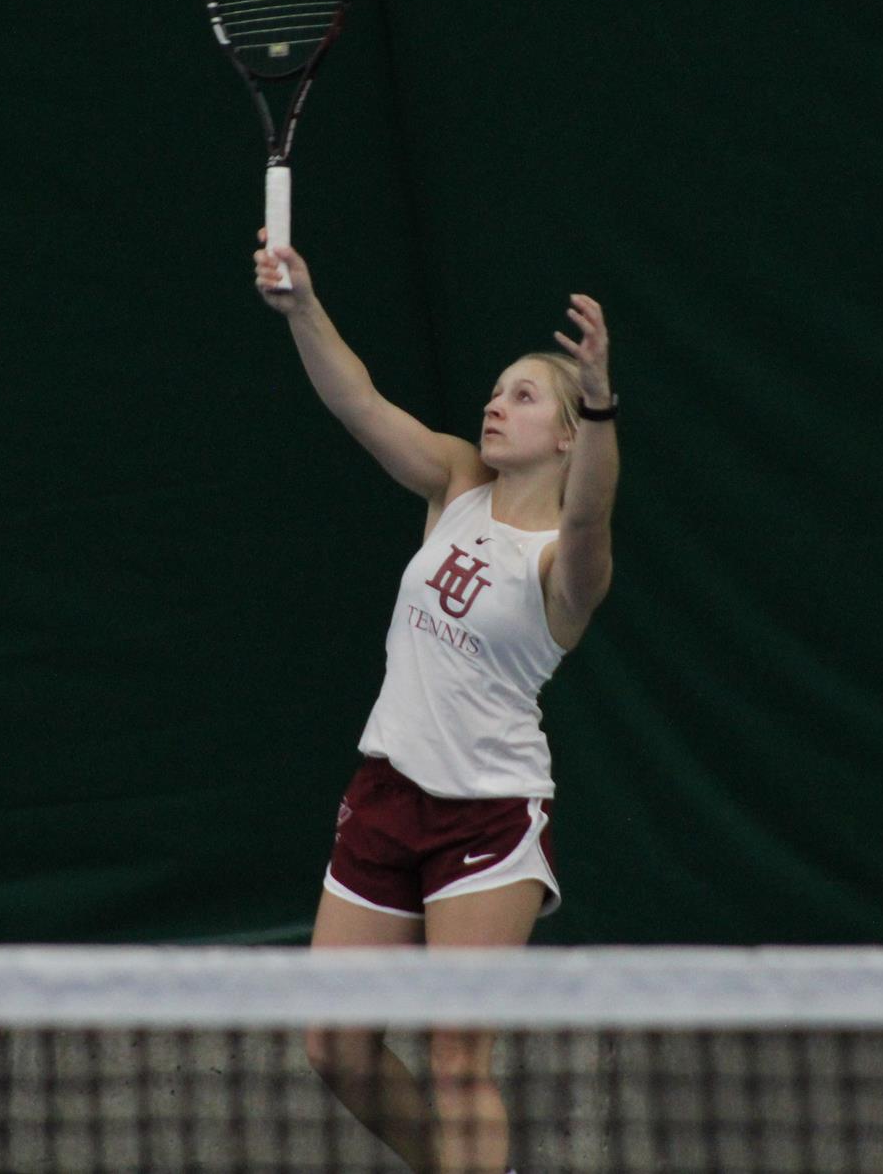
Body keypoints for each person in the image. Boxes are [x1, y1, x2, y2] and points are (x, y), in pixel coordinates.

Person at [251, 231, 620, 1174]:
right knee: (334, 1047)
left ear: (569, 432)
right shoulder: (457, 480)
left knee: (457, 1061)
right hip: (386, 792)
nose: (496, 404)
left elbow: (588, 514)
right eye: (495, 390)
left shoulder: (564, 570)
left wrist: (604, 402)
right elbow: (359, 398)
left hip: (488, 815)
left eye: (524, 395)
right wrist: (304, 308)